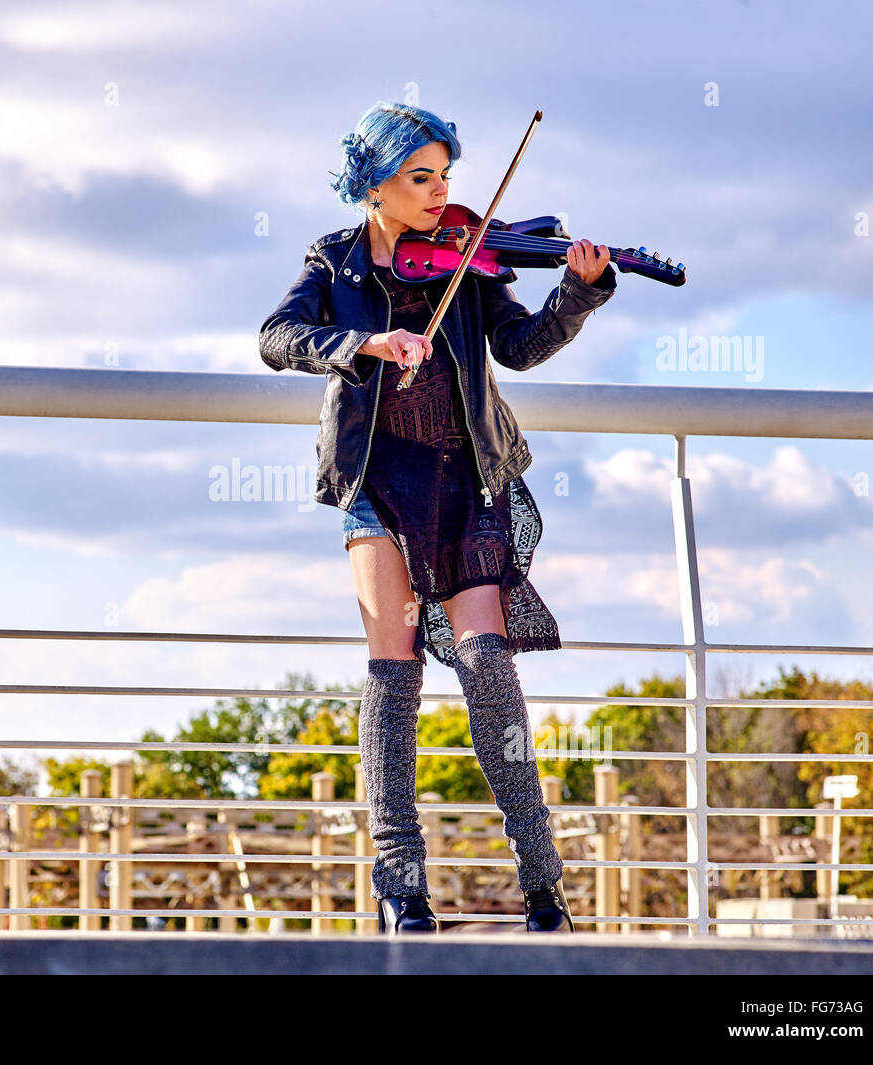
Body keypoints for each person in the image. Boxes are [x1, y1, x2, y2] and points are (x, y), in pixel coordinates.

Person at [258, 101, 617, 935]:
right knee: (393, 671)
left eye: (447, 176)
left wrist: (580, 291)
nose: (442, 192)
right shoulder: (337, 261)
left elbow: (520, 346)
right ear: (374, 183)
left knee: (490, 667)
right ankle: (401, 885)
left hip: (466, 476)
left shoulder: (471, 250)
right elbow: (277, 336)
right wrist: (363, 346)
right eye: (422, 178)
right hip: (377, 476)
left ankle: (543, 884)